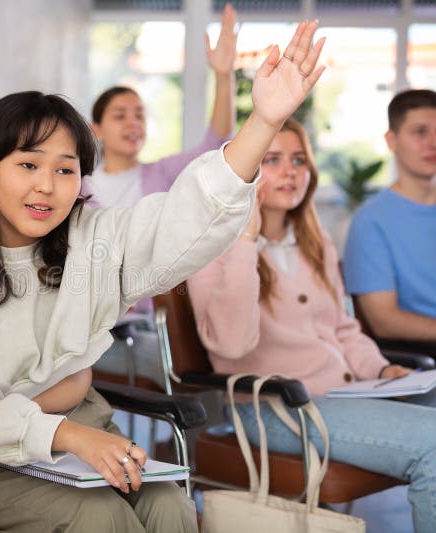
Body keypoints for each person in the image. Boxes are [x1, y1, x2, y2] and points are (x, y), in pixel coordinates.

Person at [0, 20, 324, 532]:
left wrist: (262, 123)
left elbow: (183, 220)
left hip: (86, 432)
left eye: (66, 170)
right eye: (28, 164)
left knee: (170, 505)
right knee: (100, 517)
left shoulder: (90, 240)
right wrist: (62, 425)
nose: (47, 186)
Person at [187, 118, 436, 532]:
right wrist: (246, 241)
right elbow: (230, 344)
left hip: (342, 393)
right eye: (273, 160)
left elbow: (344, 329)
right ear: (246, 170)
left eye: (299, 160)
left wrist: (381, 369)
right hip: (274, 409)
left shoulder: (314, 241)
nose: (290, 171)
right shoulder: (214, 248)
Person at [88, 3, 238, 387]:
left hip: (156, 322)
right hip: (100, 326)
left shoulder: (163, 173)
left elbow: (217, 144)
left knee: (196, 367)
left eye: (139, 114)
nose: (133, 123)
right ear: (97, 129)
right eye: (120, 115)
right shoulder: (78, 187)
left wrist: (223, 76)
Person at [343, 88, 436, 343]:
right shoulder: (370, 221)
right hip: (421, 362)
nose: (433, 143)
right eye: (420, 132)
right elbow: (384, 321)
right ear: (391, 141)